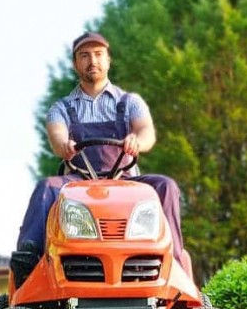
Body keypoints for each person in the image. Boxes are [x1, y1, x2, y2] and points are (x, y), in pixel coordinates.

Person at [13, 32, 184, 285]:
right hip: (78, 182)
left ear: (108, 60)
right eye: (84, 56)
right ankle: (30, 259)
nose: (92, 61)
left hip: (126, 180)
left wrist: (138, 141)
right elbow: (57, 133)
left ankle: (174, 262)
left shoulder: (130, 102)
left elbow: (146, 131)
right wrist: (64, 145)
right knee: (47, 187)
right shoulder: (61, 108)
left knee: (165, 186)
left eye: (97, 55)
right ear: (76, 64)